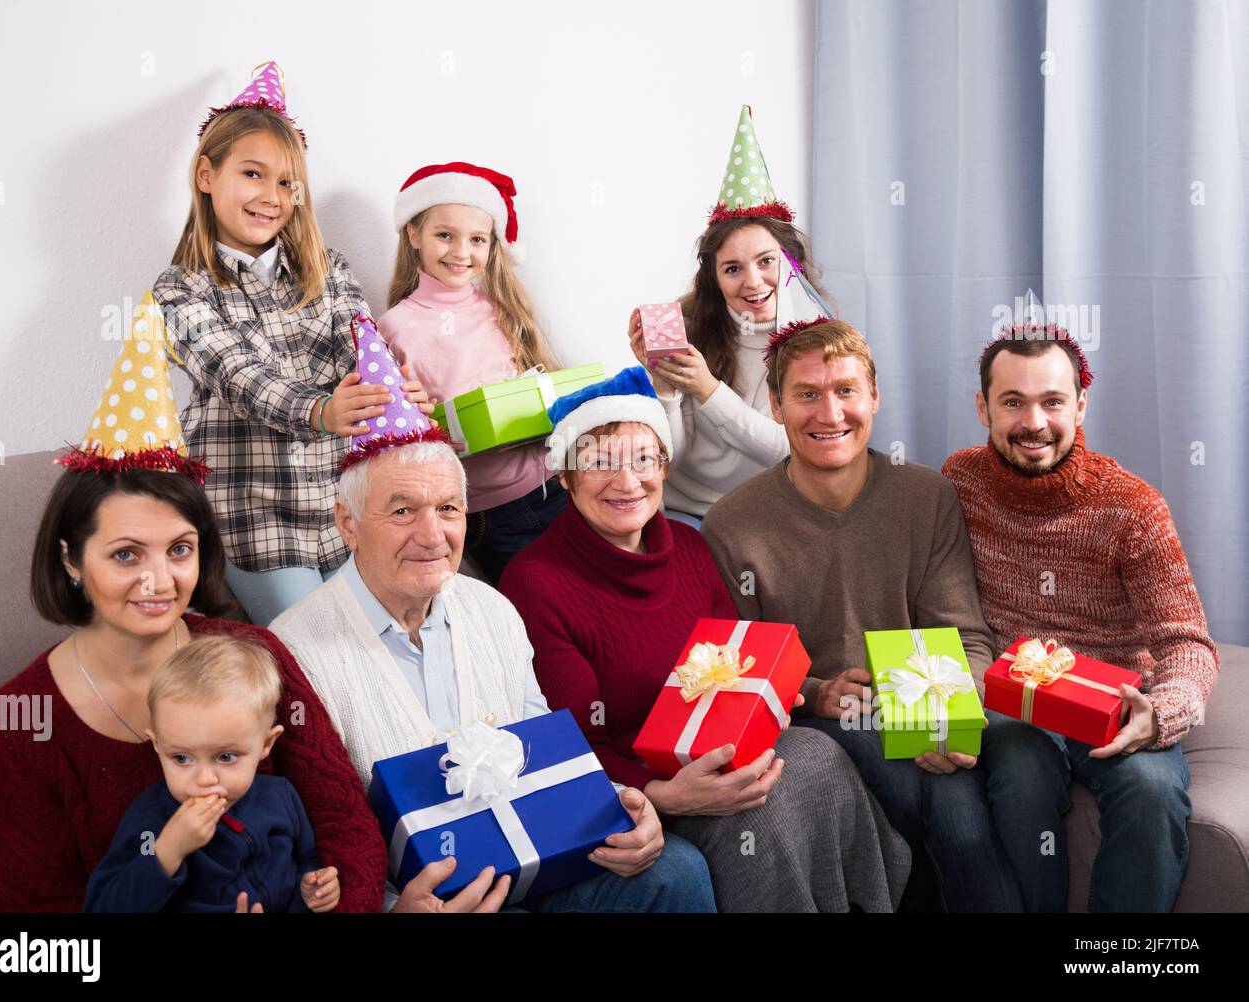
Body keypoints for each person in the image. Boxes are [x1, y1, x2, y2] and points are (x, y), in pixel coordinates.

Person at [0, 320, 387, 911]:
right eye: (125, 554)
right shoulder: (10, 730)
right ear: (71, 561)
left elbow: (347, 829)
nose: (159, 582)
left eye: (180, 550)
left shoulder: (255, 656)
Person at [270, 382, 714, 913]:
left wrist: (621, 803)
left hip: (532, 855)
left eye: (449, 509)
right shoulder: (292, 652)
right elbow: (310, 839)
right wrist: (392, 908)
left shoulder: (490, 607)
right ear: (348, 523)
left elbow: (543, 748)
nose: (433, 536)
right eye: (403, 511)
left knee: (675, 871)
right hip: (415, 897)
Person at [500, 368, 912, 912]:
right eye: (599, 463)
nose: (626, 482)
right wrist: (662, 795)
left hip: (720, 749)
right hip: (636, 787)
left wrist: (774, 696)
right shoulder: (534, 585)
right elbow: (567, 748)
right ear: (567, 479)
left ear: (664, 469)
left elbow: (735, 660)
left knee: (816, 753)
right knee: (761, 816)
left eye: (643, 459)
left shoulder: (691, 551)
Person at [700, 318, 1023, 912]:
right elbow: (735, 674)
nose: (830, 413)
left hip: (921, 696)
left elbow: (964, 634)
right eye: (806, 394)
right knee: (920, 787)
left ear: (874, 397)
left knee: (958, 805)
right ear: (775, 405)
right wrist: (817, 691)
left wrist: (951, 715)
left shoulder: (926, 497)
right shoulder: (733, 523)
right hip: (814, 719)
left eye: (846, 390)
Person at [942, 324, 1219, 911]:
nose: (1033, 422)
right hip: (1012, 701)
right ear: (982, 406)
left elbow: (1187, 642)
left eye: (1052, 401)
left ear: (1081, 403)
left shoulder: (1132, 507)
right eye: (1012, 401)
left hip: (1115, 698)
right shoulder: (959, 483)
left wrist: (1161, 713)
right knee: (1019, 771)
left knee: (1152, 790)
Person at [153, 61, 431, 625]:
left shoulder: (329, 271)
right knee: (320, 652)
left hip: (341, 512)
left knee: (395, 635)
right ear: (207, 175)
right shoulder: (178, 291)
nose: (271, 196)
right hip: (253, 522)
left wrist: (396, 395)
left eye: (285, 182)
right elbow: (239, 377)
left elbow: (363, 349)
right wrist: (322, 409)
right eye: (252, 174)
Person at [626, 106, 834, 527]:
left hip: (763, 517)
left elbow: (789, 448)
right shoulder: (693, 331)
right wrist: (665, 388)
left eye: (766, 261)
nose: (753, 282)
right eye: (733, 269)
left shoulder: (819, 344)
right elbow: (674, 458)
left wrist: (707, 388)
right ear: (715, 279)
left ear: (791, 263)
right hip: (685, 514)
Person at [381, 162, 565, 583]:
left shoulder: (503, 309)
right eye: (445, 235)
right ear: (413, 234)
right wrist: (420, 417)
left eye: (477, 239)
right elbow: (398, 436)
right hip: (489, 512)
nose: (461, 252)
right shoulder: (395, 327)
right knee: (535, 606)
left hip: (555, 488)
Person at [84, 635, 340, 913]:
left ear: (266, 744)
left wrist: (312, 887)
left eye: (226, 757)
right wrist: (168, 851)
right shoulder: (150, 825)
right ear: (157, 745)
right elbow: (103, 906)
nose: (204, 779)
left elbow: (306, 858)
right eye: (181, 758)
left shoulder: (280, 796)